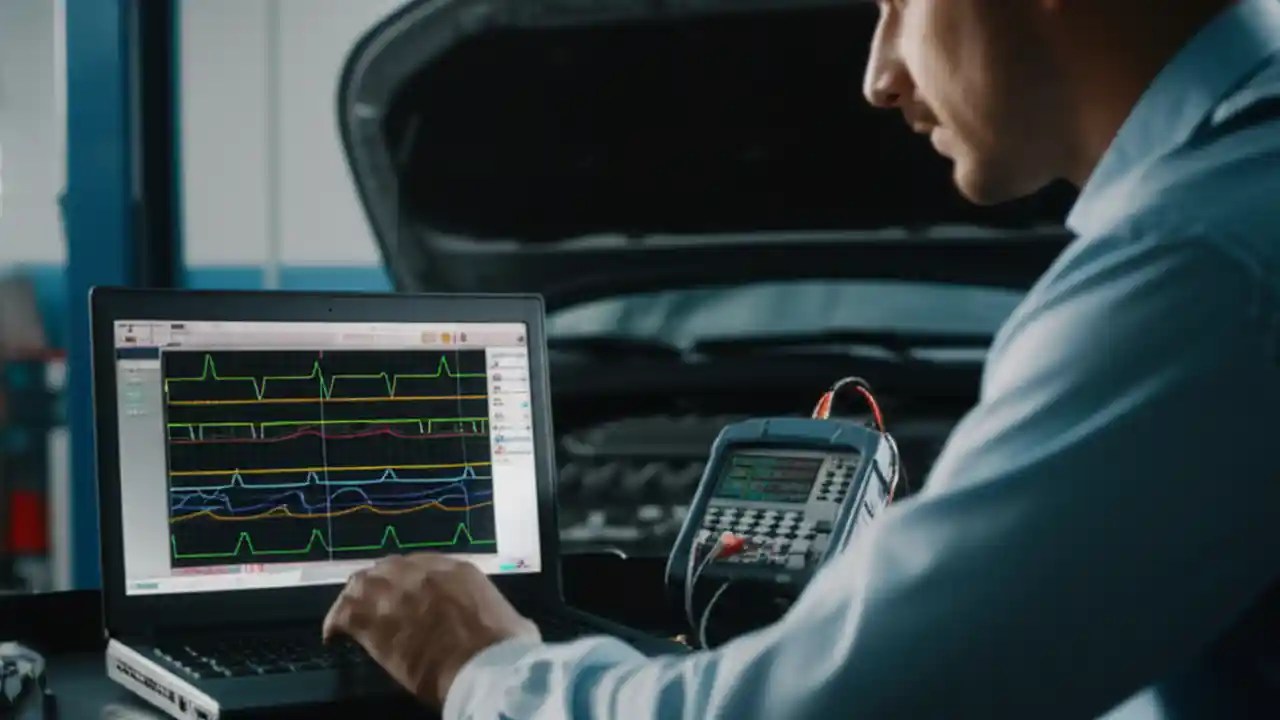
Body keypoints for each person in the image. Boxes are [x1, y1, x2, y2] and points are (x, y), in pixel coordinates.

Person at [323, 0, 1280, 716]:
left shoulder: (1198, 269)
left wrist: (481, 667)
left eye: (898, 4)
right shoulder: (1238, 199)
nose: (878, 76)